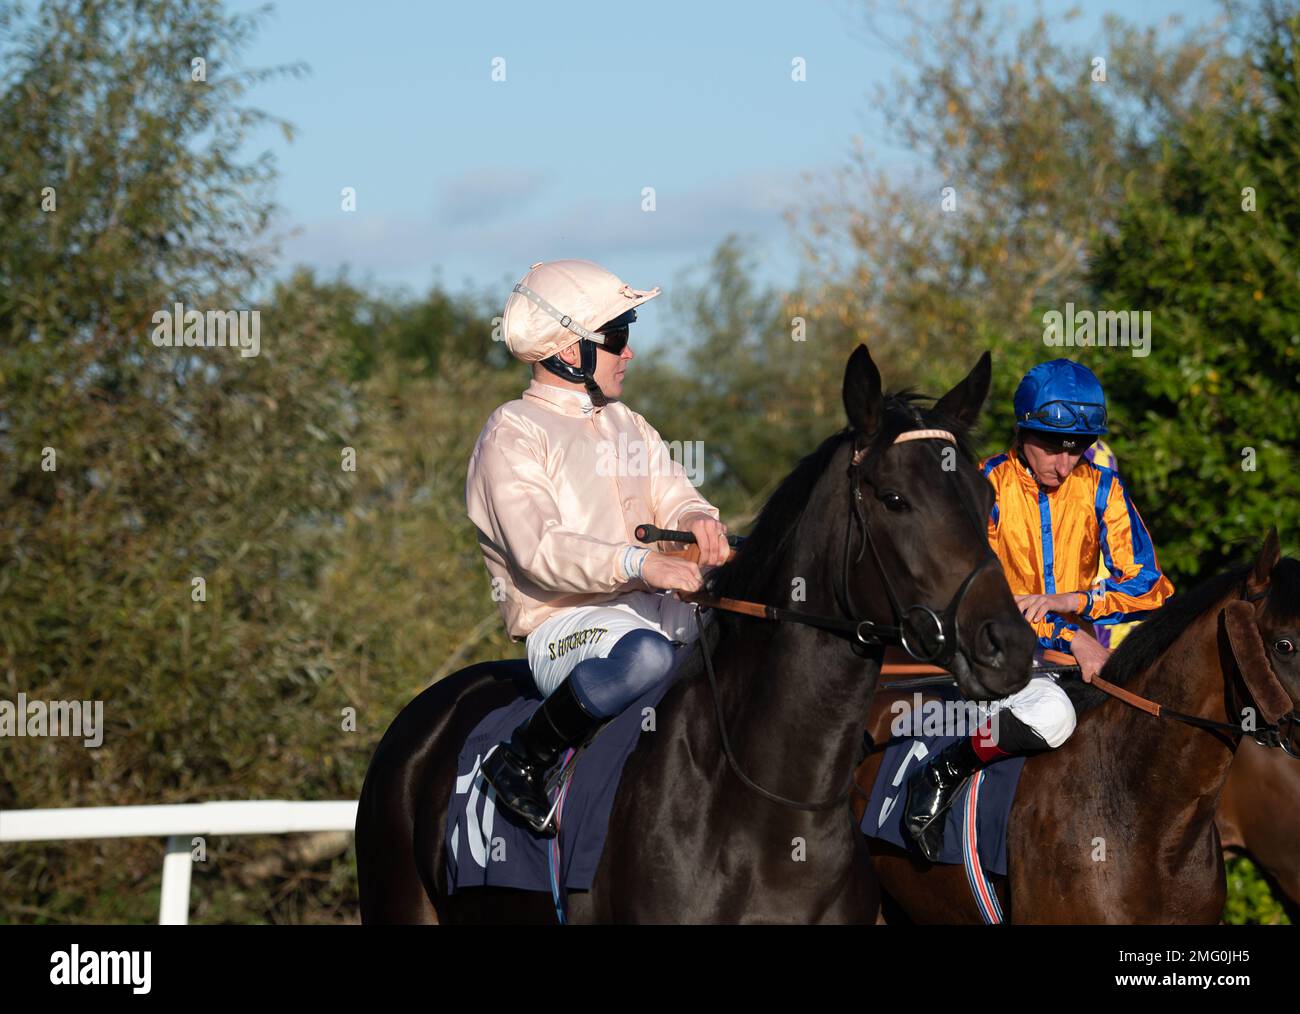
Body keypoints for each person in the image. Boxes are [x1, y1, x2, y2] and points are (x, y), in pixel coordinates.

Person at [465, 259, 727, 835]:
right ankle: (522, 758)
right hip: (568, 623)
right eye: (617, 337)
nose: (628, 353)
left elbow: (678, 500)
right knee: (646, 658)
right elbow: (541, 551)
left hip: (656, 611)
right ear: (566, 349)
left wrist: (700, 523)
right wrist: (640, 563)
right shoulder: (512, 432)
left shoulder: (630, 426)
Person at [905, 359, 1174, 860]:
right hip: (999, 656)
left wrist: (1078, 602)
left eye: (1078, 447)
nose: (1065, 463)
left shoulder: (1102, 488)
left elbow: (1150, 586)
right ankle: (943, 771)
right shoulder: (984, 487)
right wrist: (1068, 634)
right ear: (1022, 430)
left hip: (1084, 663)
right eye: (1052, 445)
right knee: (1052, 715)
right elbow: (977, 600)